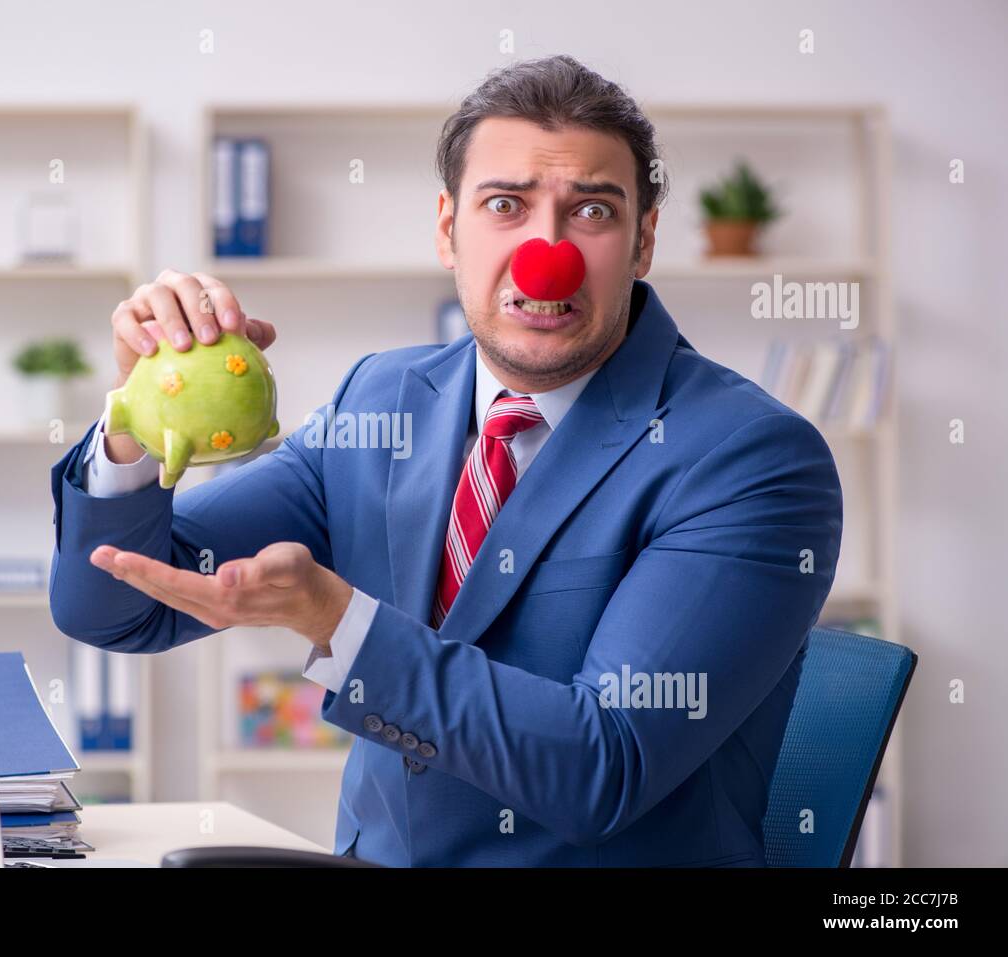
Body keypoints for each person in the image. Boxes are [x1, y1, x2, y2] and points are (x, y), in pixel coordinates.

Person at [49, 54, 842, 867]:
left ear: (642, 242)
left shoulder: (750, 458)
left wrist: (338, 621)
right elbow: (116, 607)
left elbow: (603, 766)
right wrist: (139, 415)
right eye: (506, 204)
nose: (548, 251)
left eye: (593, 211)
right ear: (447, 229)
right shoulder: (380, 399)